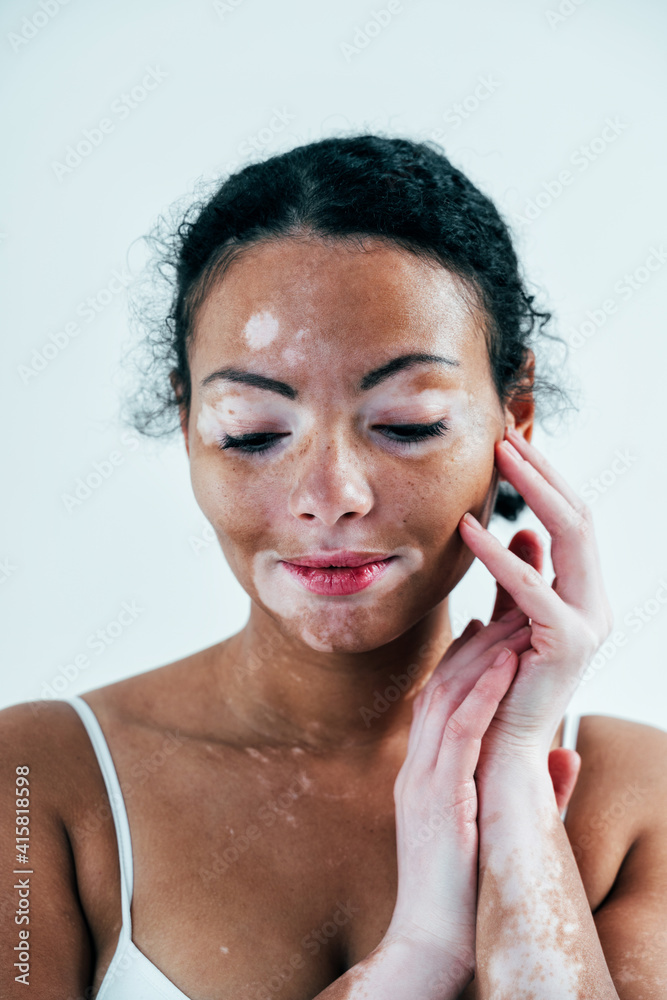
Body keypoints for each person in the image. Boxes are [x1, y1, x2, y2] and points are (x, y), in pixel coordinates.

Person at [1, 134, 665, 1000]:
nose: (328, 495)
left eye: (407, 423)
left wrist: (512, 783)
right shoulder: (32, 782)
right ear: (189, 421)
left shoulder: (638, 796)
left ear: (516, 417)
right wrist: (419, 952)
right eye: (252, 432)